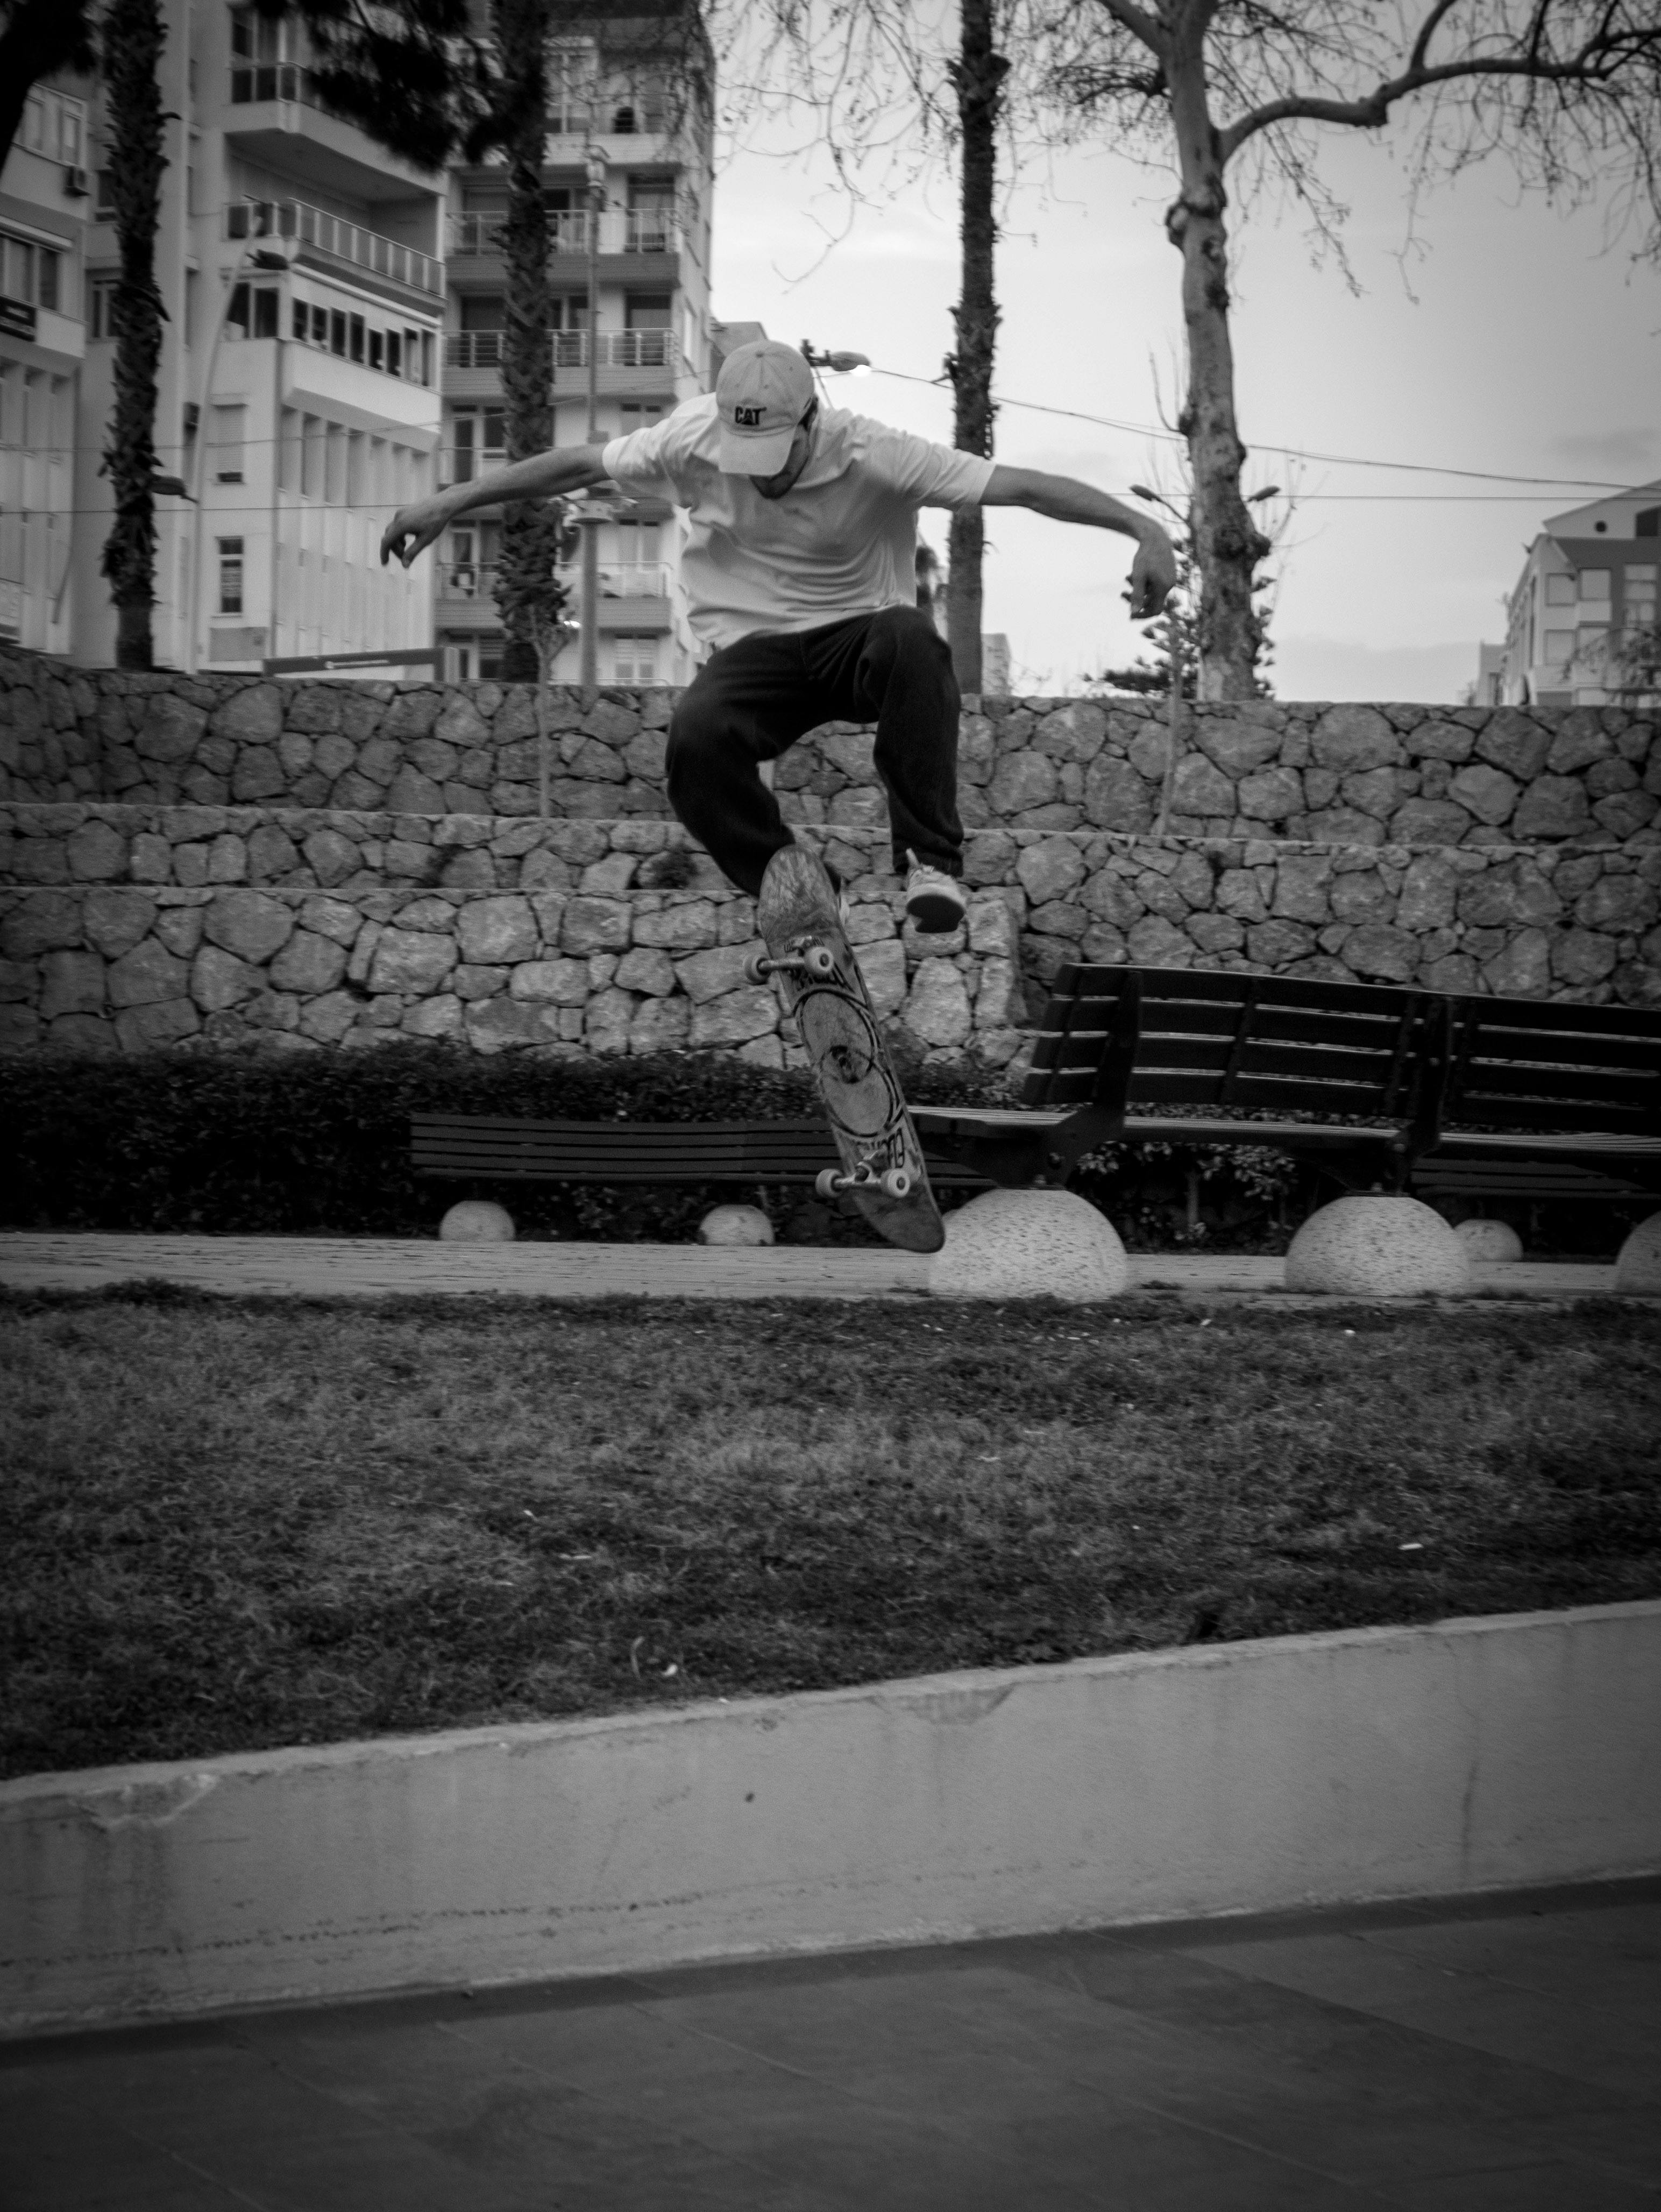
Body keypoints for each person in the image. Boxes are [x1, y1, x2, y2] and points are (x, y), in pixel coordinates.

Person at [381, 337, 1178, 932]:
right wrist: (453, 499)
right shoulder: (689, 438)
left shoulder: (878, 452)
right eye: (747, 454)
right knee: (696, 740)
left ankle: (929, 863)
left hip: (858, 640)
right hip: (754, 652)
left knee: (913, 638)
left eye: (776, 455)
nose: (761, 473)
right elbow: (577, 466)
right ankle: (797, 887)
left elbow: (1024, 488)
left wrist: (1142, 527)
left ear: (811, 422)